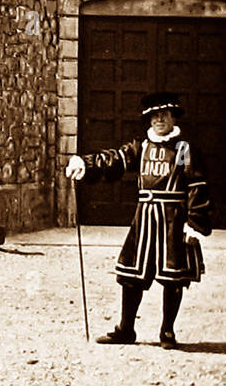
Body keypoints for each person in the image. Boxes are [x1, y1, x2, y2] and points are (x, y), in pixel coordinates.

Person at [66, 92, 211, 348]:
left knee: (173, 276)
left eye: (164, 115)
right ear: (148, 119)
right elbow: (113, 159)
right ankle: (125, 329)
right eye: (154, 116)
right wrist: (85, 164)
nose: (159, 120)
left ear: (173, 117)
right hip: (144, 218)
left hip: (172, 219)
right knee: (132, 273)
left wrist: (194, 222)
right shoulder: (141, 147)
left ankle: (167, 331)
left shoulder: (182, 149)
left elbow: (195, 184)